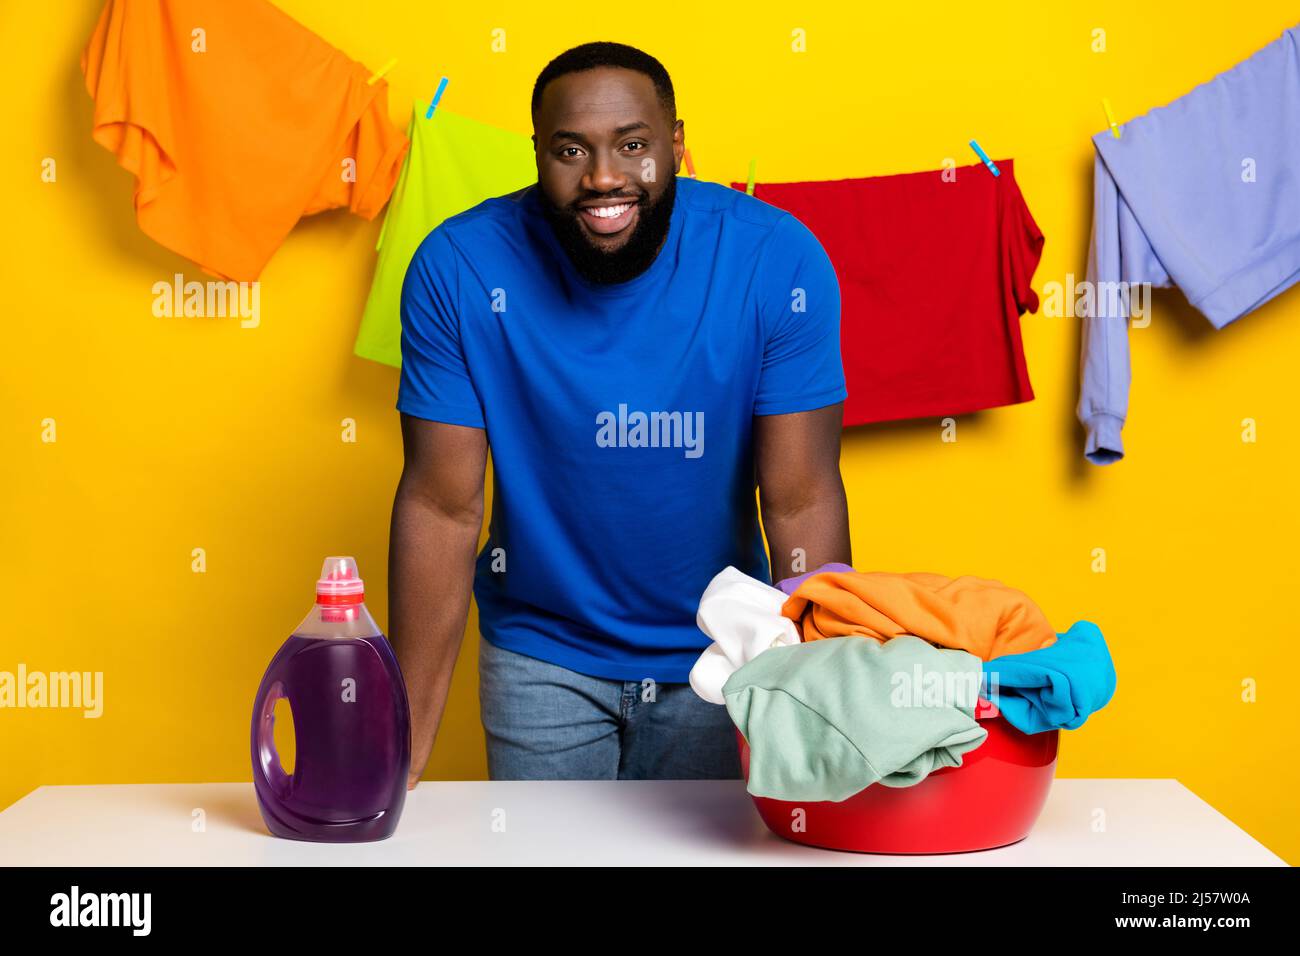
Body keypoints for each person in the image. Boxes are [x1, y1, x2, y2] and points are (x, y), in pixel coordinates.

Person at [389, 41, 850, 786]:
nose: (603, 176)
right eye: (571, 150)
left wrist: (823, 694)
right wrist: (399, 745)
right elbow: (442, 506)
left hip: (722, 647)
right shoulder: (459, 268)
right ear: (537, 153)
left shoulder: (778, 260)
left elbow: (799, 497)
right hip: (542, 653)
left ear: (676, 146)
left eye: (632, 146)